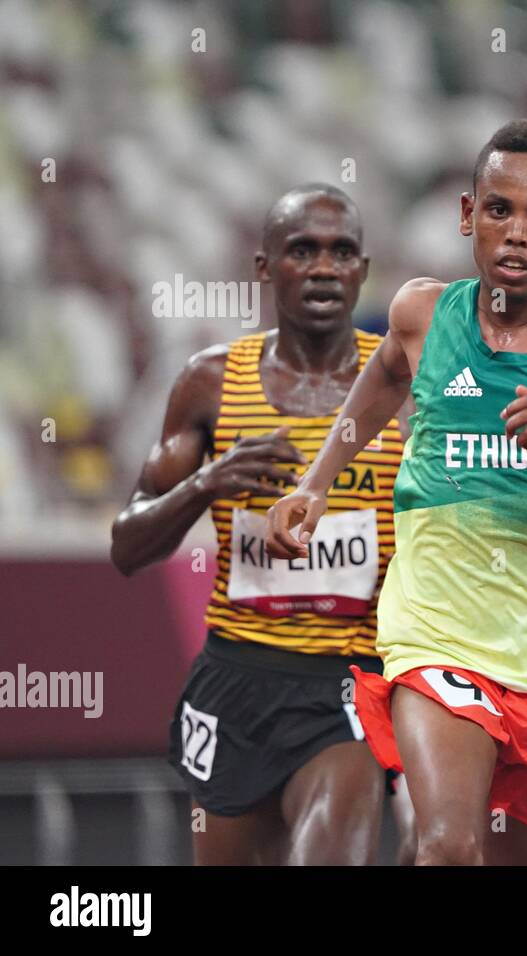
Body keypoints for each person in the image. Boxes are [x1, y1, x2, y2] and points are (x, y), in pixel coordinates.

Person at [266, 121, 527, 865]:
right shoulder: (422, 312)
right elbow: (383, 377)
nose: (515, 233)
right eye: (498, 209)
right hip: (439, 631)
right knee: (446, 844)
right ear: (466, 214)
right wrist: (314, 486)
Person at [111, 185, 407, 865]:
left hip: (350, 681)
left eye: (341, 252)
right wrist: (208, 482)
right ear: (266, 266)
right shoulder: (210, 382)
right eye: (303, 250)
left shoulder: (406, 392)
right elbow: (128, 545)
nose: (324, 267)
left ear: (363, 269)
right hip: (239, 677)